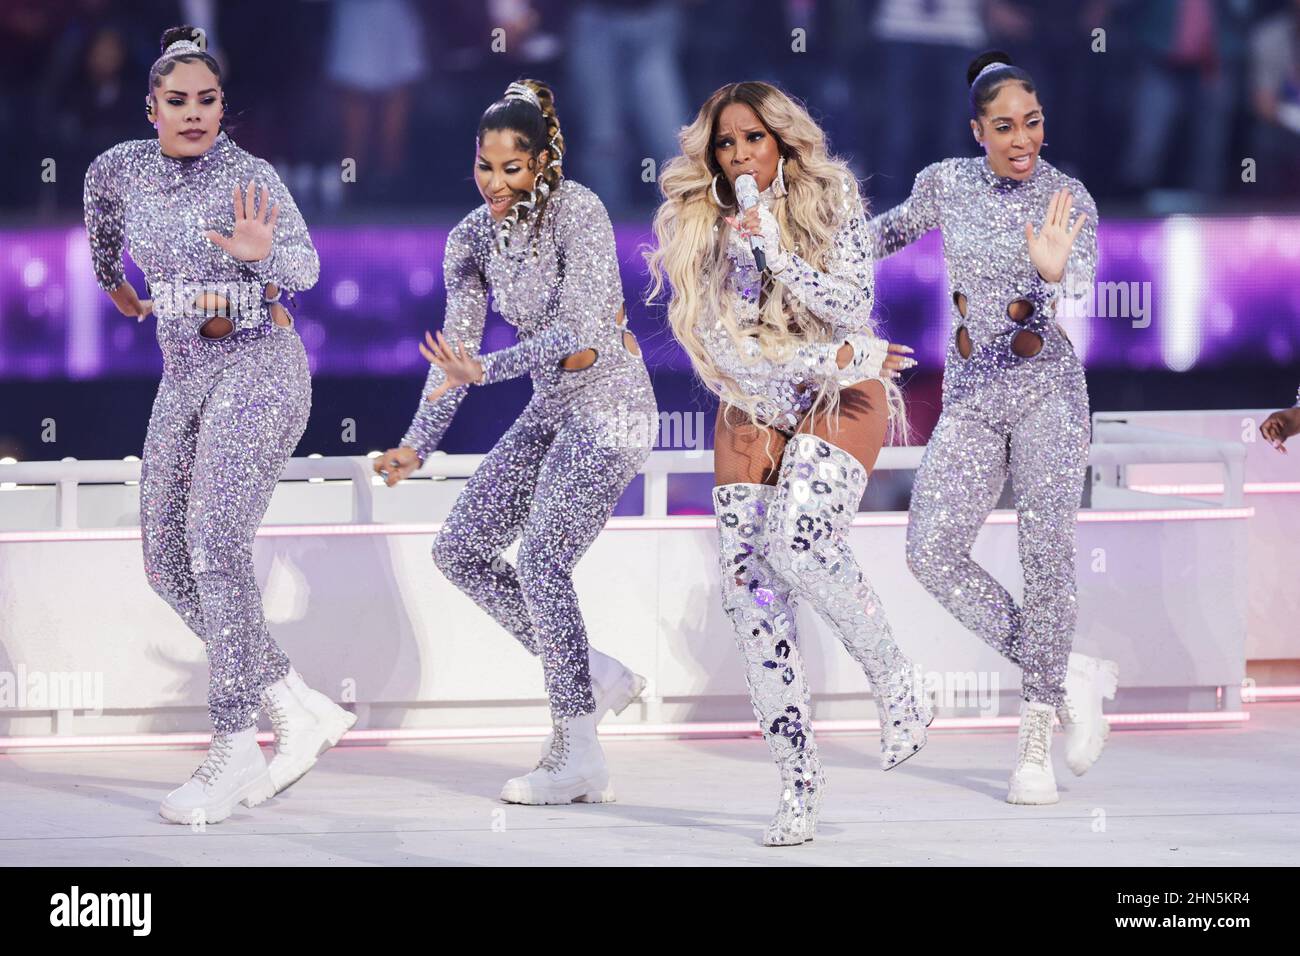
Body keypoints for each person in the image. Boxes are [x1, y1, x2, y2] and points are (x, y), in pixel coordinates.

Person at [83, 26, 354, 825]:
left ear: (223, 107)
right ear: (152, 107)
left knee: (214, 544)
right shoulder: (118, 169)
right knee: (165, 563)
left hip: (260, 369)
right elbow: (101, 229)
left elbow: (304, 272)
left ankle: (237, 743)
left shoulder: (250, 177)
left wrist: (264, 254)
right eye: (179, 102)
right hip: (186, 378)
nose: (195, 114)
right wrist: (117, 287)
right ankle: (294, 702)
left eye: (208, 101)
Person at [648, 80, 929, 846]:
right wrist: (814, 349)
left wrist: (776, 250)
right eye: (726, 143)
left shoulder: (831, 193)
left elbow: (852, 301)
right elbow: (726, 343)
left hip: (843, 387)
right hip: (762, 388)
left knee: (799, 542)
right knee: (749, 594)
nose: (739, 155)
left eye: (753, 139)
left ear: (782, 142)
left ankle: (896, 678)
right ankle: (797, 783)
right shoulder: (695, 221)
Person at [375, 80, 656, 806]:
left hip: (612, 407)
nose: (495, 183)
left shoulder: (580, 212)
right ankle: (591, 670)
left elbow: (581, 331)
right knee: (460, 549)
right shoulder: (469, 239)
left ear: (542, 163)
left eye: (512, 168)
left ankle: (577, 749)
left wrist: (491, 368)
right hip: (551, 407)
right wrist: (417, 444)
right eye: (484, 166)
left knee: (541, 558)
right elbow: (455, 352)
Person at [870, 51, 1117, 806]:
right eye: (1004, 127)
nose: (1022, 140)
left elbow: (1081, 280)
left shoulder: (1068, 197)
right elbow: (880, 236)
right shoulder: (945, 182)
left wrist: (1052, 271)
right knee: (930, 550)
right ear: (977, 130)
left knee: (1047, 557)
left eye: (1033, 123)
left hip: (1048, 393)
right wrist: (799, 240)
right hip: (973, 398)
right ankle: (1066, 670)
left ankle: (1035, 738)